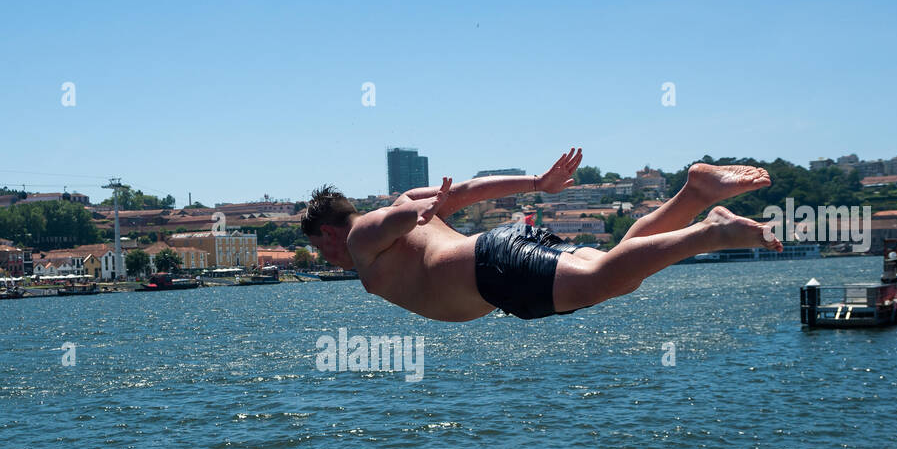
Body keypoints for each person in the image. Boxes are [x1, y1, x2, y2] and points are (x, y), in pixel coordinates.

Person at [301, 149, 781, 321]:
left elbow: (387, 223)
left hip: (491, 269)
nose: (326, 259)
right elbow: (466, 190)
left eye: (320, 249)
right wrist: (537, 183)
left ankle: (710, 233)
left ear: (328, 231)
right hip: (499, 262)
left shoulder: (365, 234)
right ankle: (693, 195)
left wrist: (417, 214)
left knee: (604, 280)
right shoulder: (405, 201)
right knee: (613, 268)